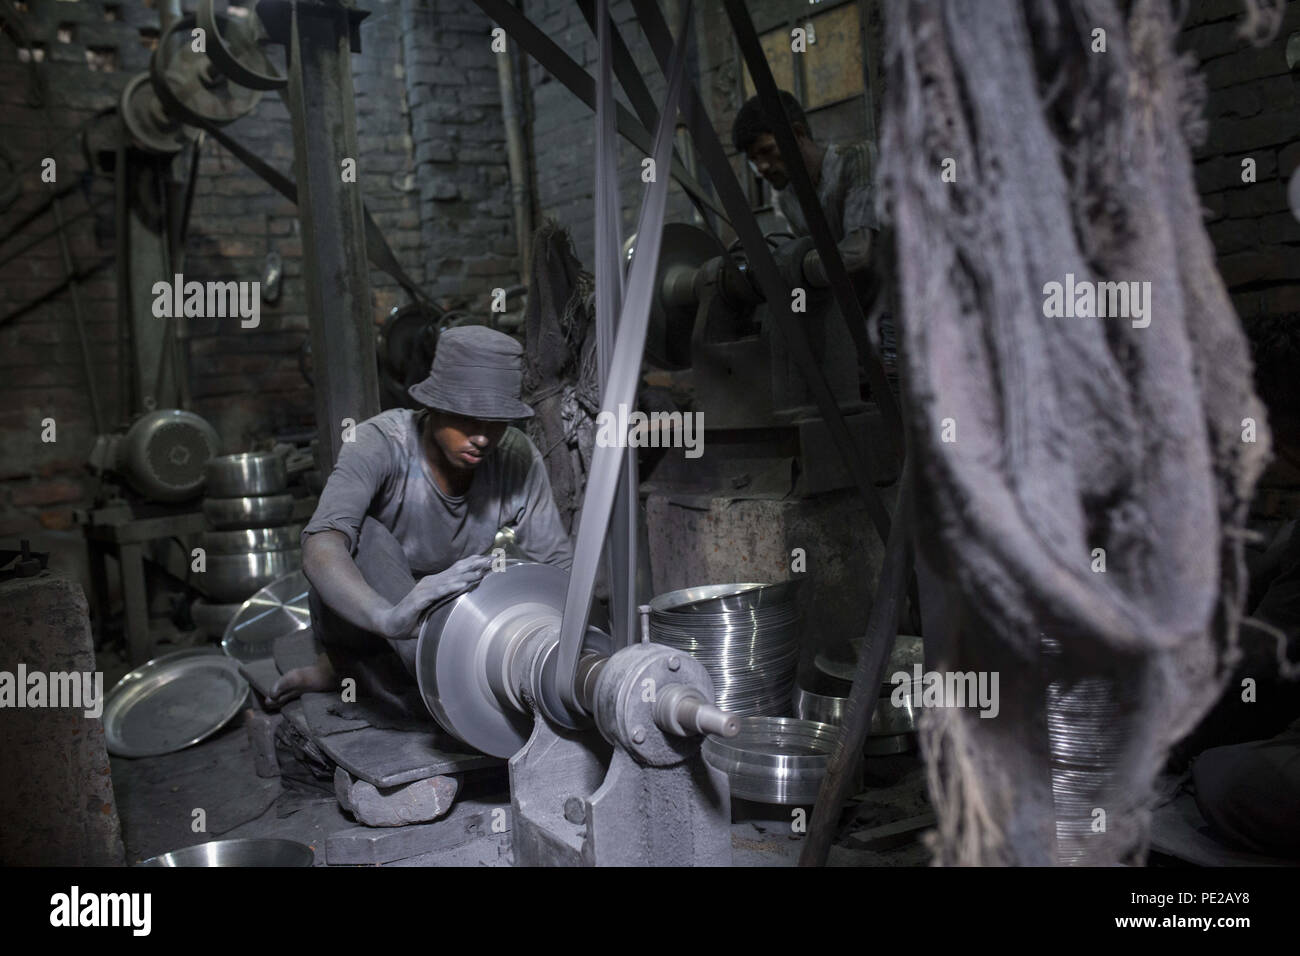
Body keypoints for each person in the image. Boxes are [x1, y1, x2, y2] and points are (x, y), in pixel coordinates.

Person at [267, 325, 574, 707]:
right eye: (468, 419)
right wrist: (388, 618)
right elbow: (320, 546)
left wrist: (574, 647)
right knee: (369, 535)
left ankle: (363, 673)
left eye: (495, 423)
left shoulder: (515, 457)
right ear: (435, 406)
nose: (481, 437)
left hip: (447, 616)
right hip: (366, 616)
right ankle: (369, 668)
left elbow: (557, 564)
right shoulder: (379, 443)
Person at [731, 90, 895, 375]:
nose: (762, 168)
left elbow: (859, 253)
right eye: (753, 159)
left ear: (796, 133)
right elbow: (818, 260)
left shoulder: (857, 159)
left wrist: (792, 268)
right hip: (858, 317)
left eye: (767, 151)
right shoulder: (786, 198)